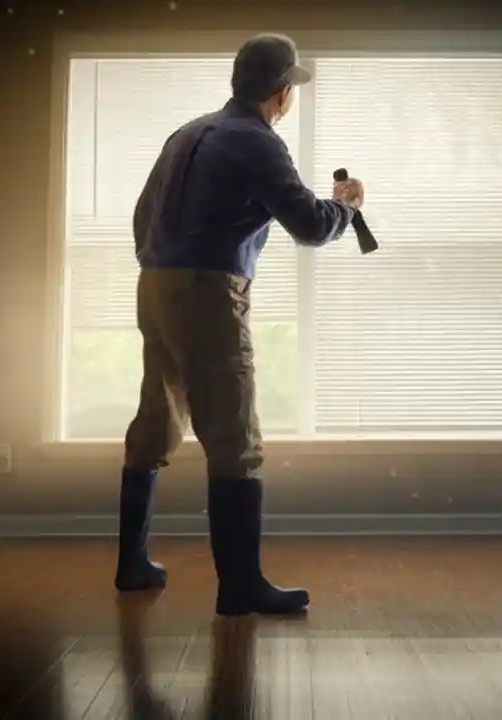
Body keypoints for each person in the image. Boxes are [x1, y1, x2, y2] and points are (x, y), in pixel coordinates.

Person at [113, 33, 365, 615]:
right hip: (206, 294)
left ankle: (131, 567)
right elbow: (308, 224)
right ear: (281, 94)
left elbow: (141, 216)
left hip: (155, 286)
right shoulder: (256, 142)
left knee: (155, 423)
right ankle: (240, 587)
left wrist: (164, 270)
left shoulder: (186, 134)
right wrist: (346, 208)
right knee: (235, 443)